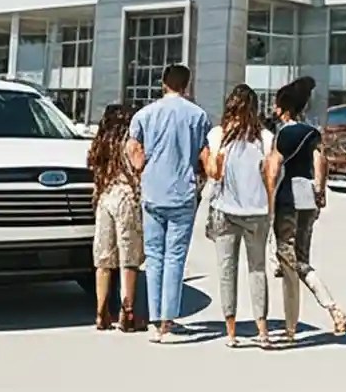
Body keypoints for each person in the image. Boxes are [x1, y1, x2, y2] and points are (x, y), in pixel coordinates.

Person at [127, 64, 212, 343]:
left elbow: (133, 149)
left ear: (164, 83)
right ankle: (168, 321)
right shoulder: (198, 116)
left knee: (154, 256)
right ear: (187, 84)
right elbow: (204, 154)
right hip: (182, 191)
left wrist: (141, 168)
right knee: (175, 257)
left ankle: (153, 319)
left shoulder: (145, 114)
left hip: (152, 190)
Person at [265, 77, 346, 344]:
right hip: (307, 201)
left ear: (284, 108)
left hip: (287, 200)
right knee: (301, 261)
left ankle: (295, 325)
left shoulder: (284, 134)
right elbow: (320, 161)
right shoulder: (312, 133)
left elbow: (274, 168)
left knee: (290, 265)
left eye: (276, 105)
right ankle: (332, 308)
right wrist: (320, 193)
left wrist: (268, 201)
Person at [202, 84, 274, 347]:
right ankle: (263, 331)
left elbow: (213, 173)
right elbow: (270, 178)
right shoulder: (266, 137)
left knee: (226, 270)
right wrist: (271, 210)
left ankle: (231, 333)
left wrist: (213, 157)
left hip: (224, 210)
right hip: (258, 212)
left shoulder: (217, 135)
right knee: (257, 269)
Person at [87, 103, 147, 332]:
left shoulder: (100, 144)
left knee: (103, 258)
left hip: (105, 196)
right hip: (126, 197)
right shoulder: (129, 143)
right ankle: (127, 312)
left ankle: (101, 311)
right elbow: (140, 165)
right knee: (128, 257)